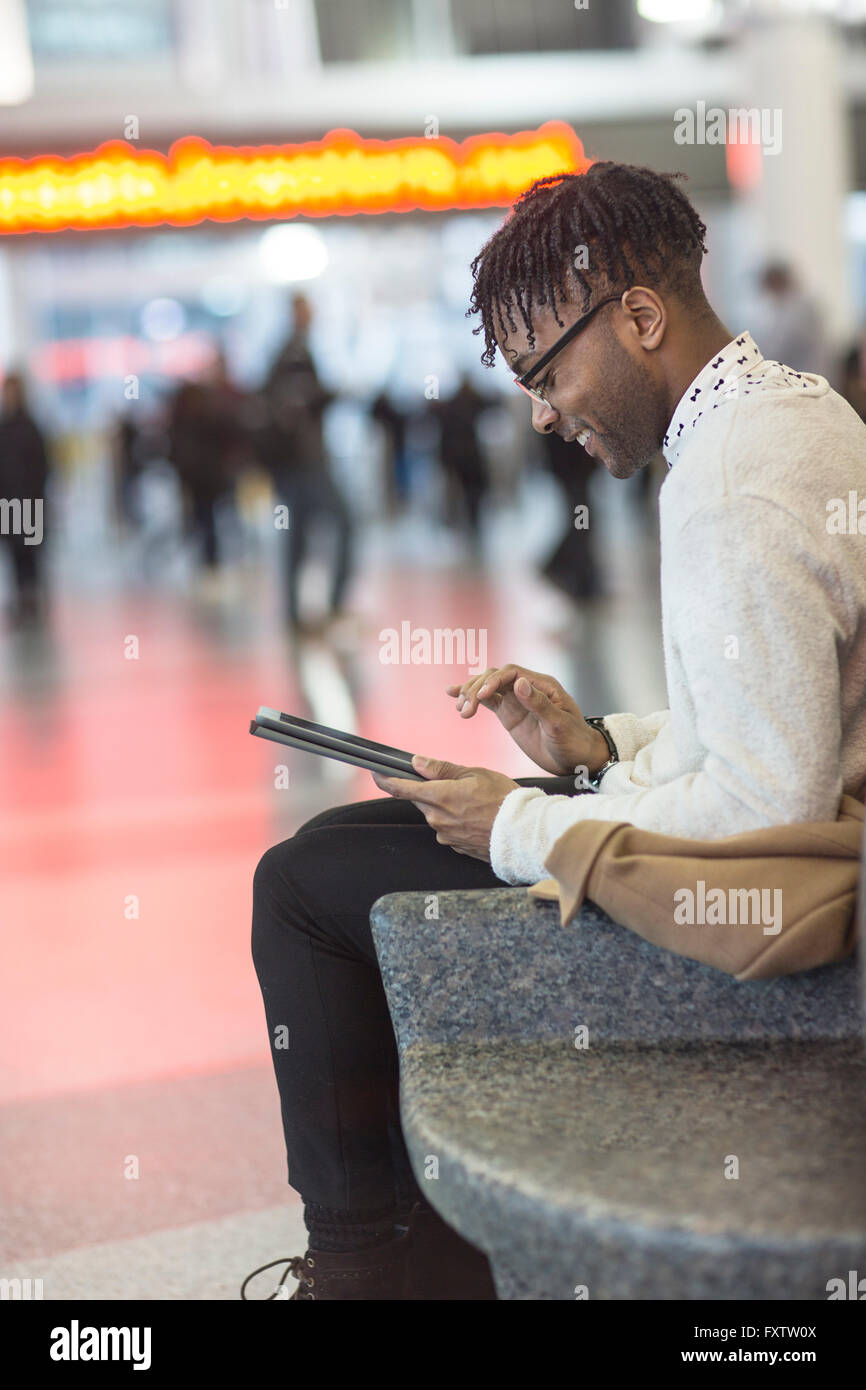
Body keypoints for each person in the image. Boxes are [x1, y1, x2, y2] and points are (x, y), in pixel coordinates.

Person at [247, 163, 866, 1300]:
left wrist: (518, 825)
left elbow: (769, 805)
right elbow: (781, 715)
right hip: (793, 848)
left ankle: (365, 1276)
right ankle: (397, 1260)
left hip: (788, 912)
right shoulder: (792, 411)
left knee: (303, 887)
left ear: (637, 317)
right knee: (332, 857)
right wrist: (596, 749)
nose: (539, 411)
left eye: (543, 370)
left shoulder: (733, 481)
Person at [259, 293, 354, 635]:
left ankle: (296, 613)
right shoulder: (292, 352)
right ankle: (333, 606)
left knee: (296, 535)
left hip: (296, 463)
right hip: (303, 463)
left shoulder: (292, 350)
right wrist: (330, 395)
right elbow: (295, 403)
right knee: (342, 522)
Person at [0, 371, 50, 625]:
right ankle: (21, 598)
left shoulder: (30, 426)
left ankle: (33, 599)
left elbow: (42, 466)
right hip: (8, 504)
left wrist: (35, 496)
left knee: (31, 555)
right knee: (15, 555)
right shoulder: (4, 427)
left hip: (30, 503)